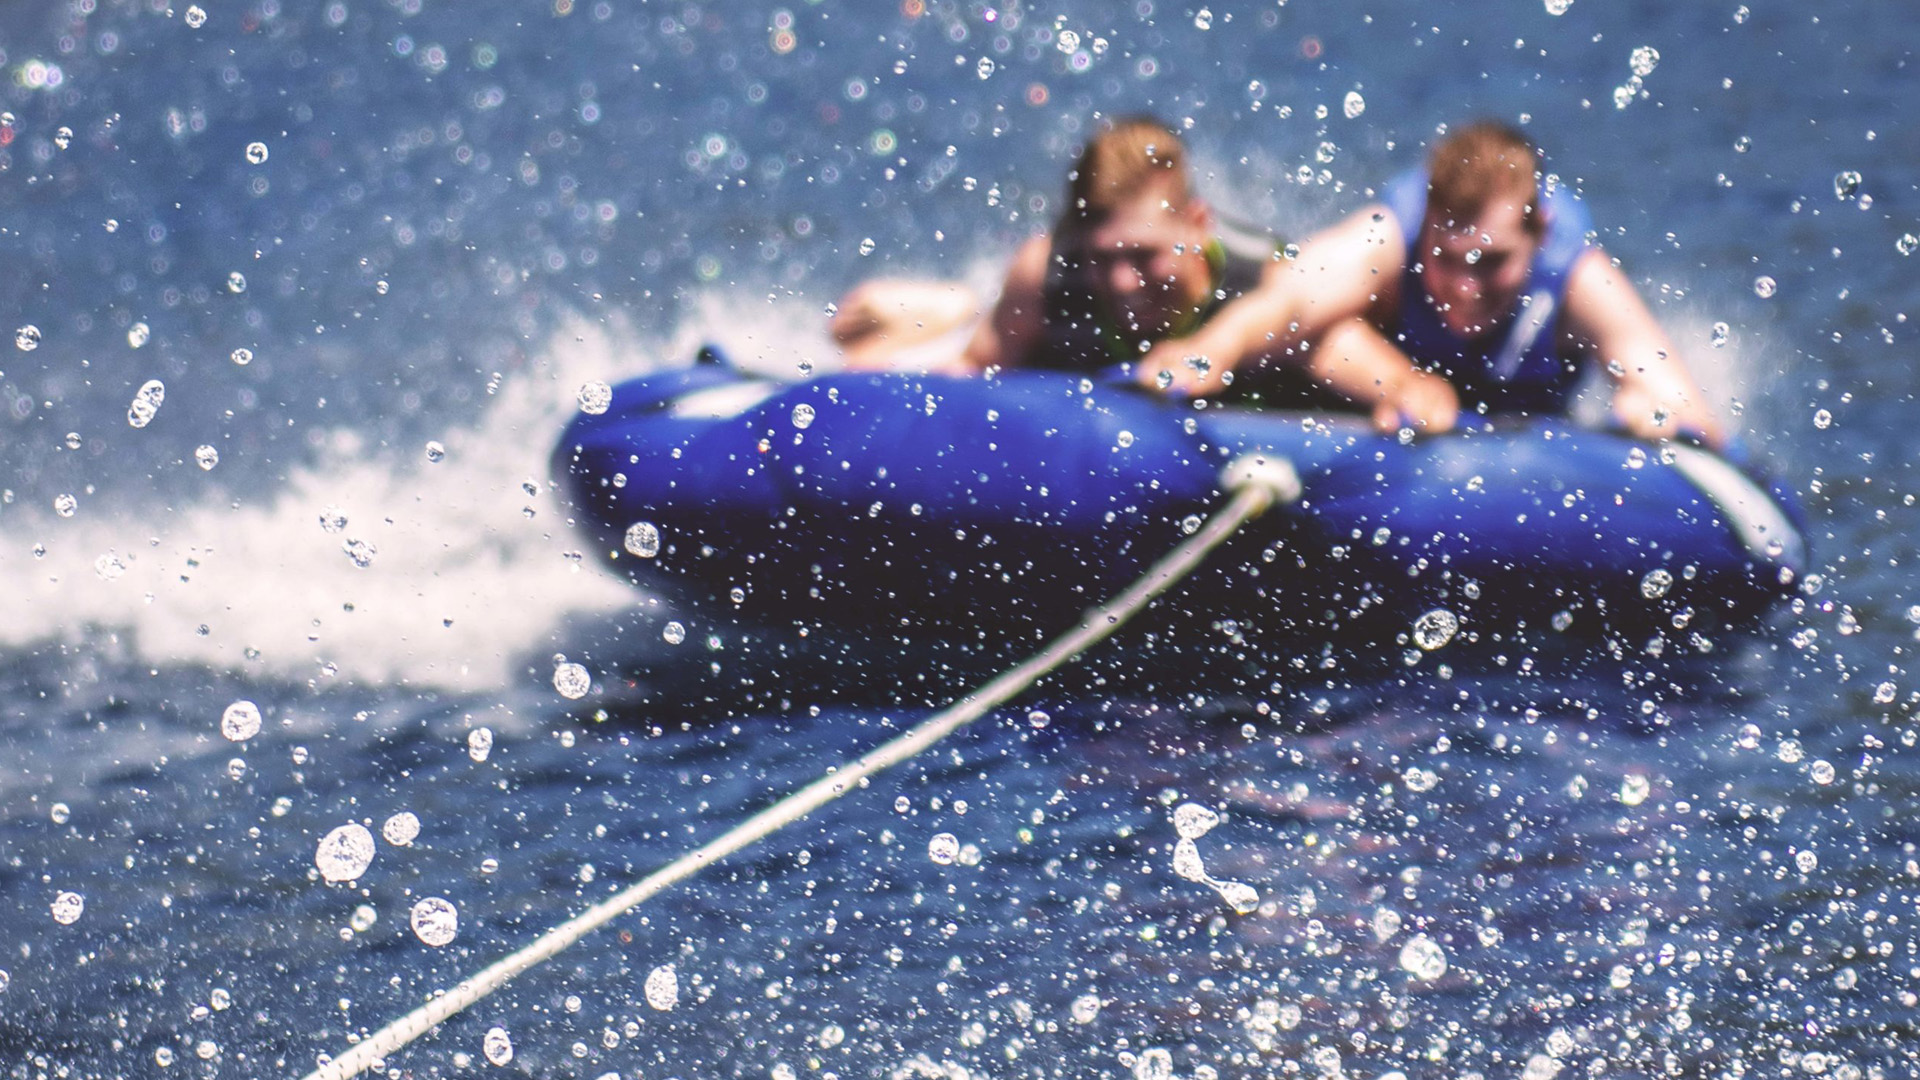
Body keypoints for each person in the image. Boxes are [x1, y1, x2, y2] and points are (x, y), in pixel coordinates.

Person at [831, 116, 1454, 428]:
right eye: (1104, 257)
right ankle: (932, 312)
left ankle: (948, 302)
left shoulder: (1262, 287)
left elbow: (1402, 383)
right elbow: (977, 372)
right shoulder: (1049, 274)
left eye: (1144, 256)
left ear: (1197, 224)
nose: (1123, 281)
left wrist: (1408, 400)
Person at [1143, 120, 1725, 445]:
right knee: (1312, 329)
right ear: (1426, 228)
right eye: (1447, 259)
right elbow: (1286, 302)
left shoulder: (1579, 283)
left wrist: (1650, 412)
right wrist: (1207, 351)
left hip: (1527, 434)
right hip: (1381, 409)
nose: (1466, 286)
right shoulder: (1386, 242)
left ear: (1539, 233)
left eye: (1491, 262)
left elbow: (1687, 411)